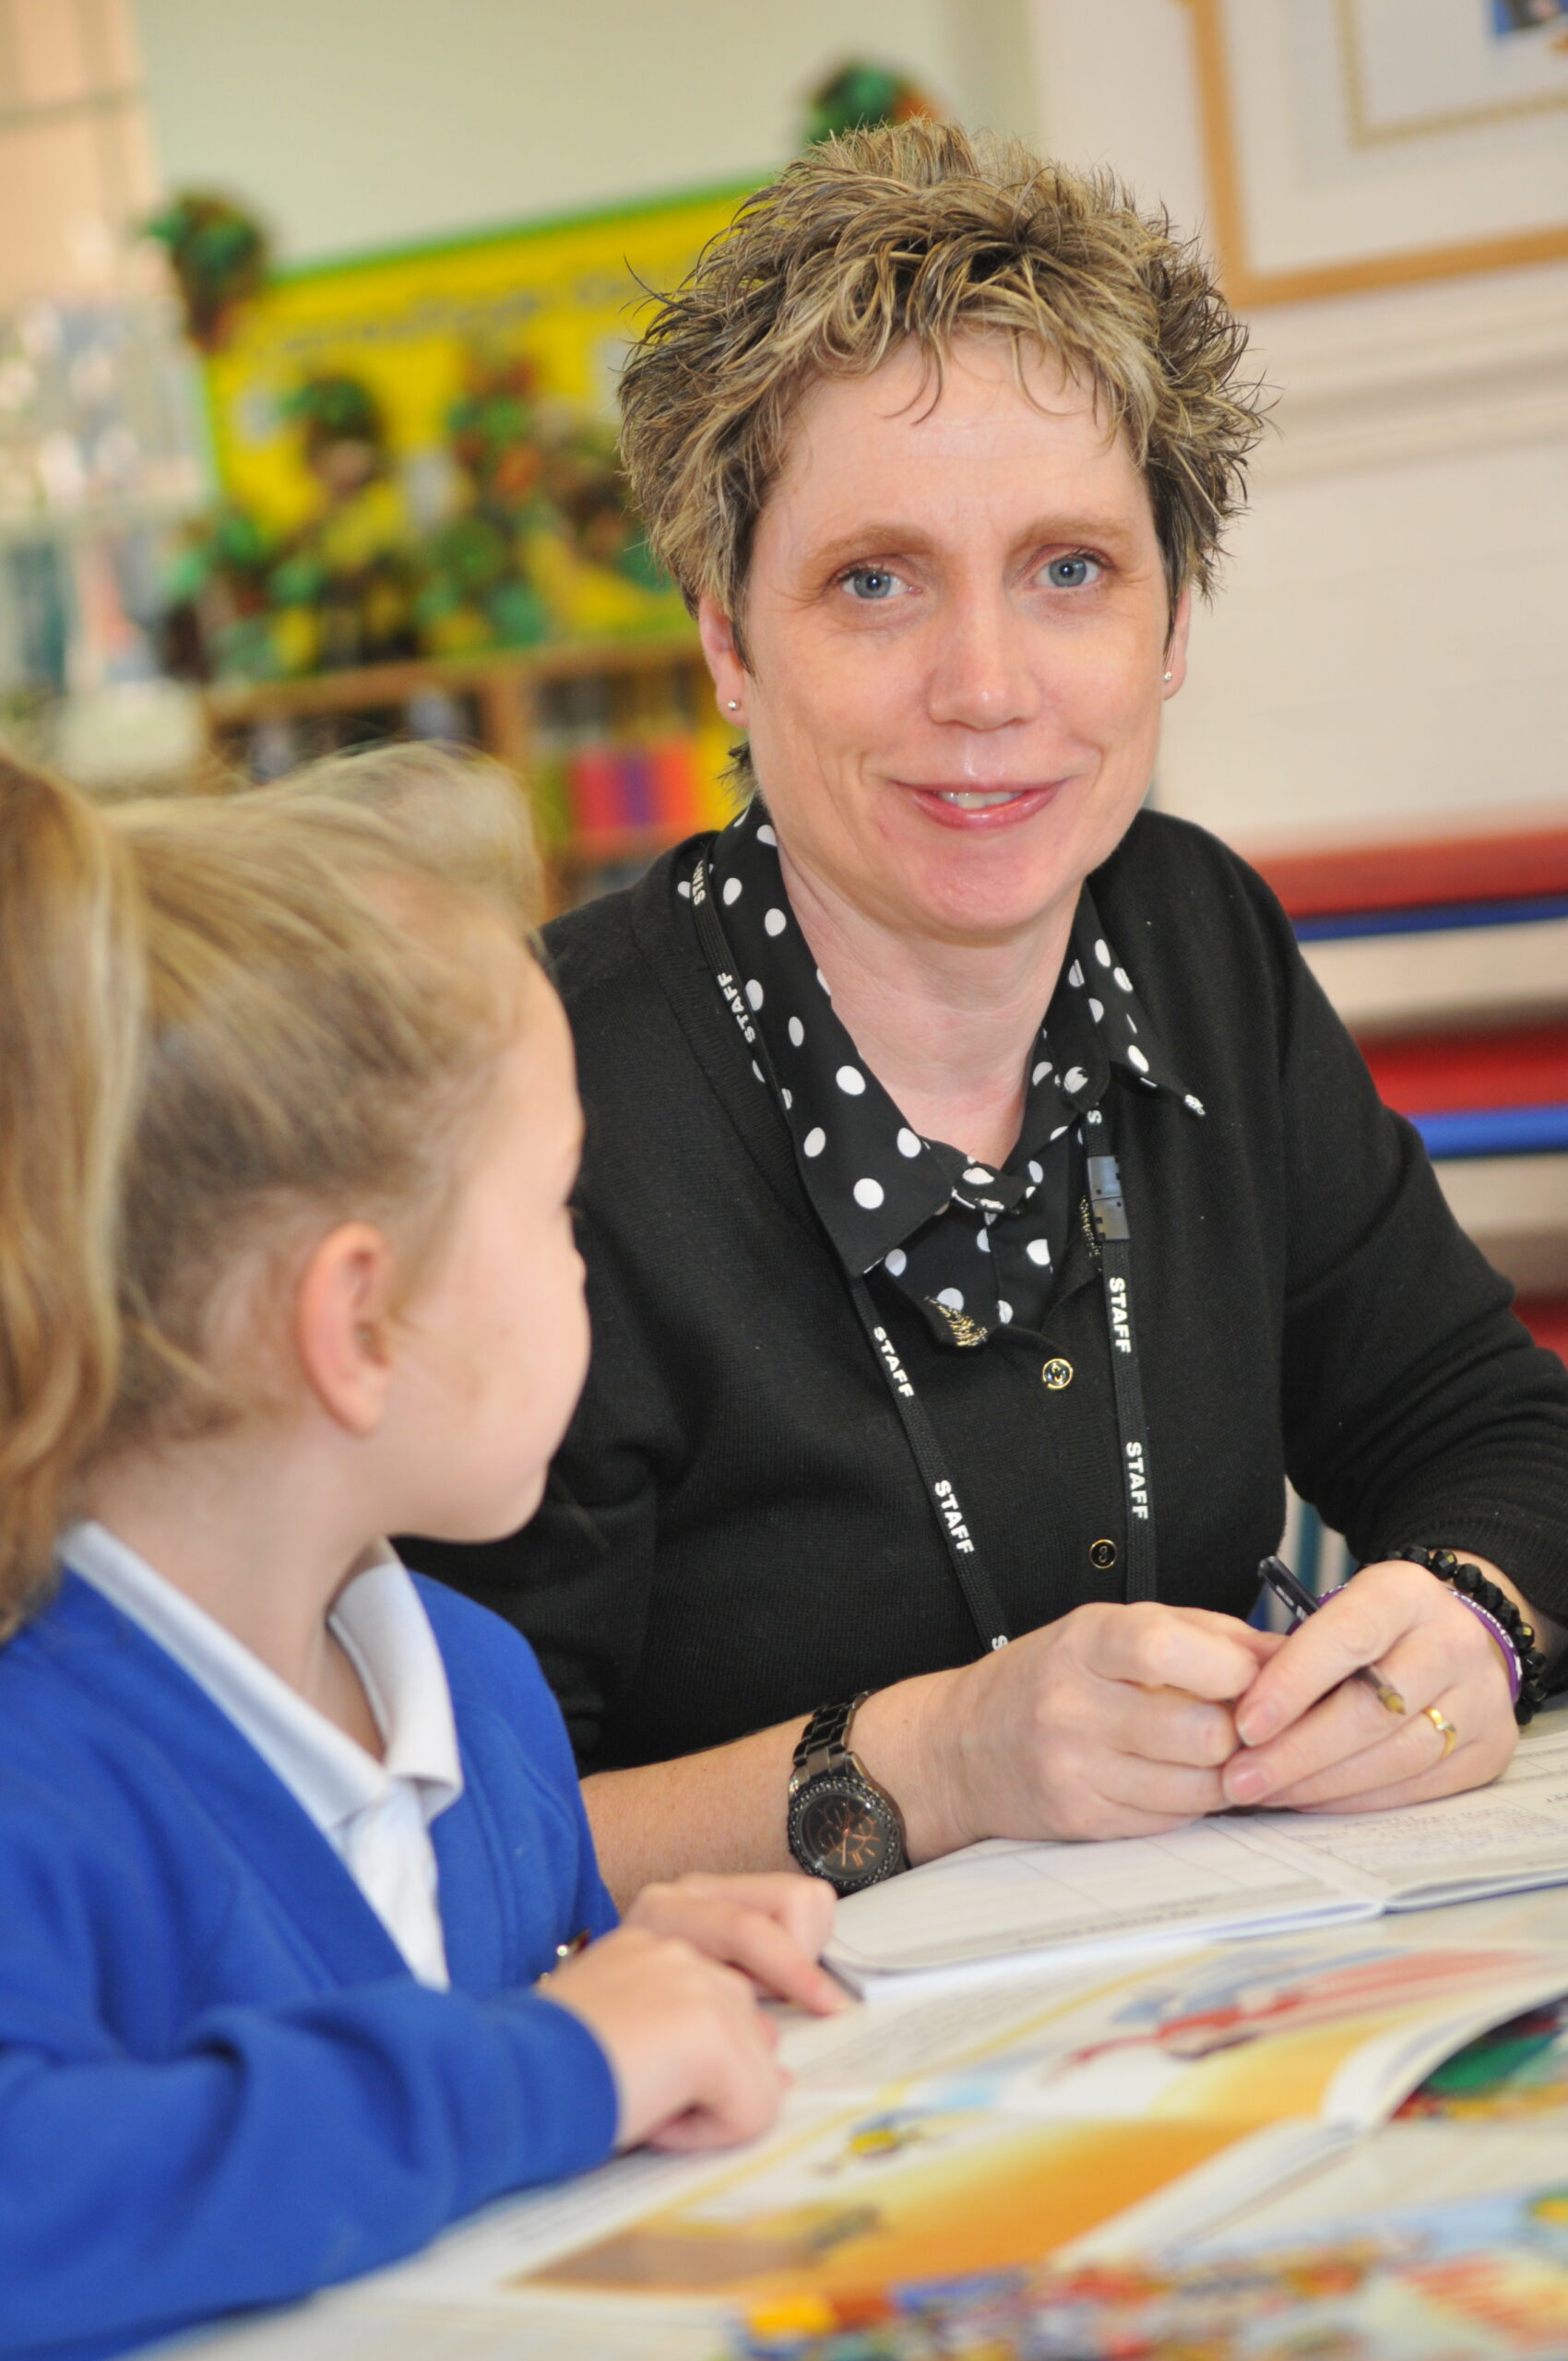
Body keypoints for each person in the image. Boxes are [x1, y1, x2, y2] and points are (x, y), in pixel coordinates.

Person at [415, 123, 1568, 1904]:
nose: (984, 688)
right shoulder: (531, 1103)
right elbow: (435, 1847)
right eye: (873, 581)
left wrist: (1471, 1623)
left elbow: (1492, 1429)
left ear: (1176, 618)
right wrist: (930, 1763)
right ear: (728, 637)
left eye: (1072, 571)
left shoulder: (1194, 939)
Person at [0, 749, 840, 2361]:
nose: (591, 1270)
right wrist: (552, 2066)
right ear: (358, 1320)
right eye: (558, 1209)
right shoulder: (43, 1782)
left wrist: (618, 1982)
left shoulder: (481, 1691)